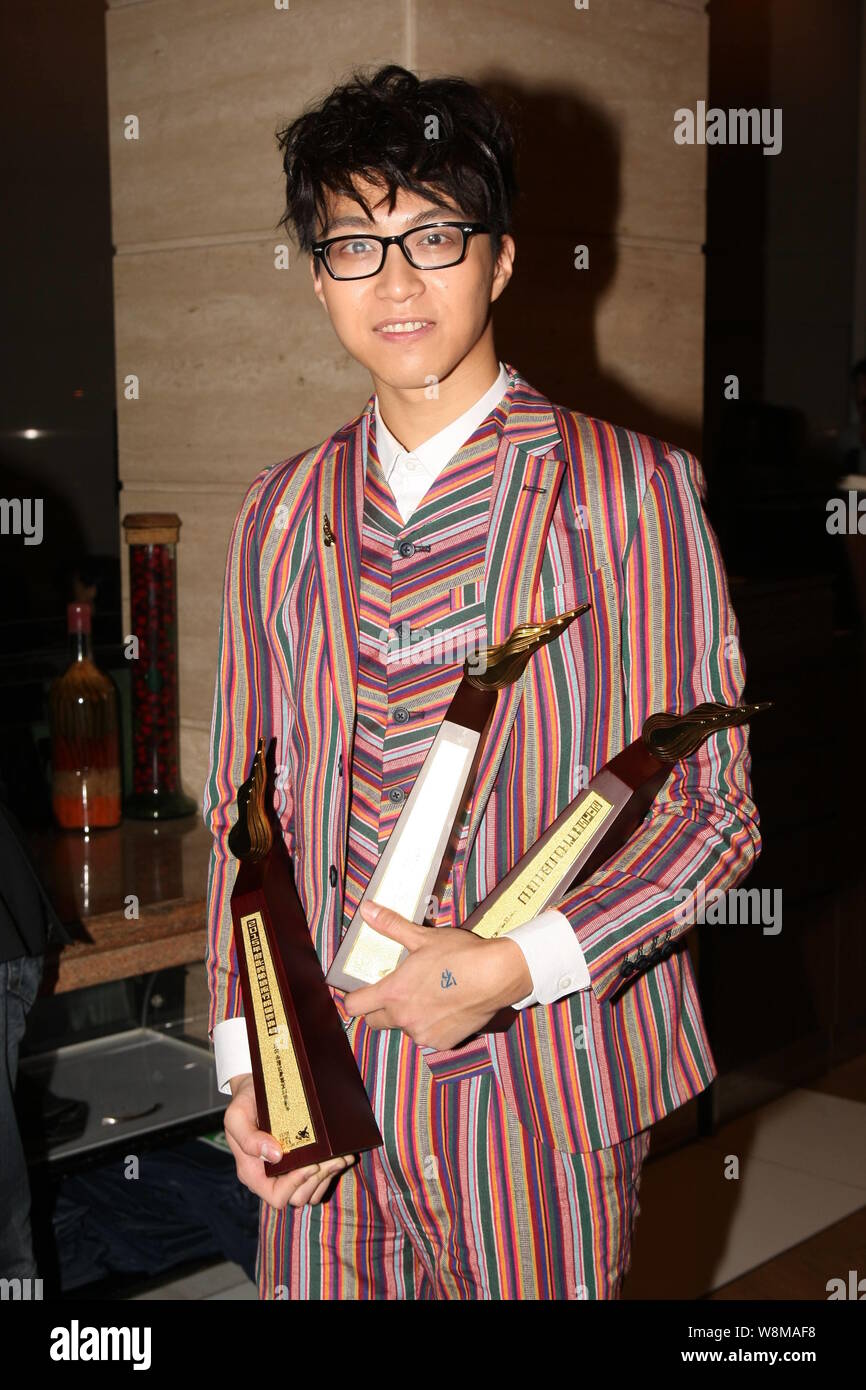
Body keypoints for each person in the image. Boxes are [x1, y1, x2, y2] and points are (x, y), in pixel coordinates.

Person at [203, 64, 762, 1300]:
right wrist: (249, 1058)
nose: (396, 280)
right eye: (356, 243)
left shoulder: (626, 492)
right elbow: (244, 821)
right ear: (316, 275)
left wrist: (510, 966)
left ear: (499, 261)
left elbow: (711, 809)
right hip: (327, 1077)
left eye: (434, 236)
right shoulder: (278, 515)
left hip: (539, 1077)